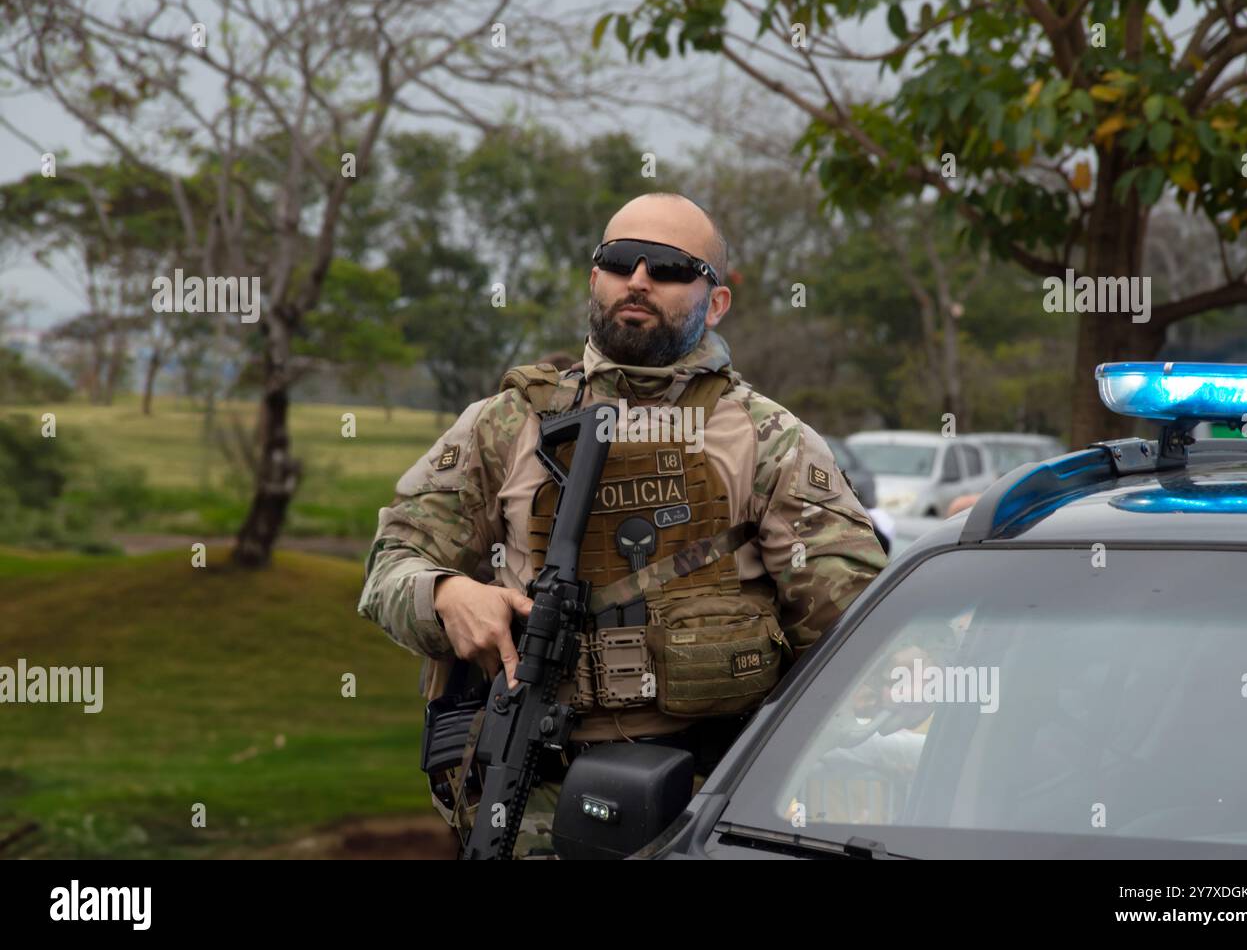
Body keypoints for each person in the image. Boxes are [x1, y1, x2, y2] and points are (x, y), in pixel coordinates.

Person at [358, 191, 888, 858]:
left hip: (703, 804)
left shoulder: (766, 438)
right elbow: (389, 566)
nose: (638, 280)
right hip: (527, 802)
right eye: (619, 261)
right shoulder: (505, 425)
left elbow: (852, 634)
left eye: (668, 267)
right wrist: (444, 595)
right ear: (594, 277)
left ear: (715, 300)